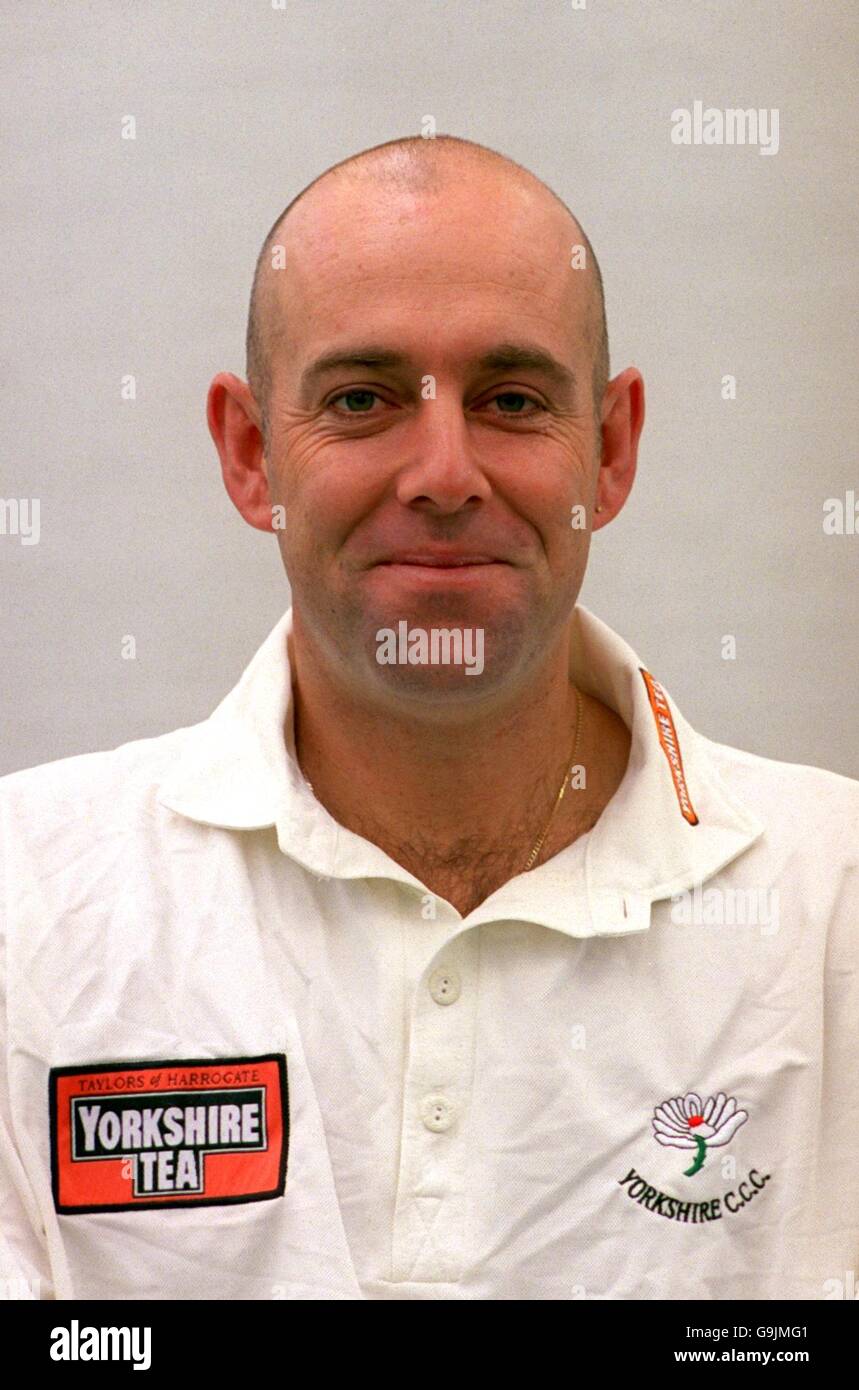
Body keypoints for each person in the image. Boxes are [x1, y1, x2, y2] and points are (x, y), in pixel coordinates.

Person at [0, 135, 855, 1301]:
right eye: (363, 399)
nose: (444, 473)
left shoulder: (830, 909)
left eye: (511, 399)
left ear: (610, 450)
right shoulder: (29, 905)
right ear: (252, 457)